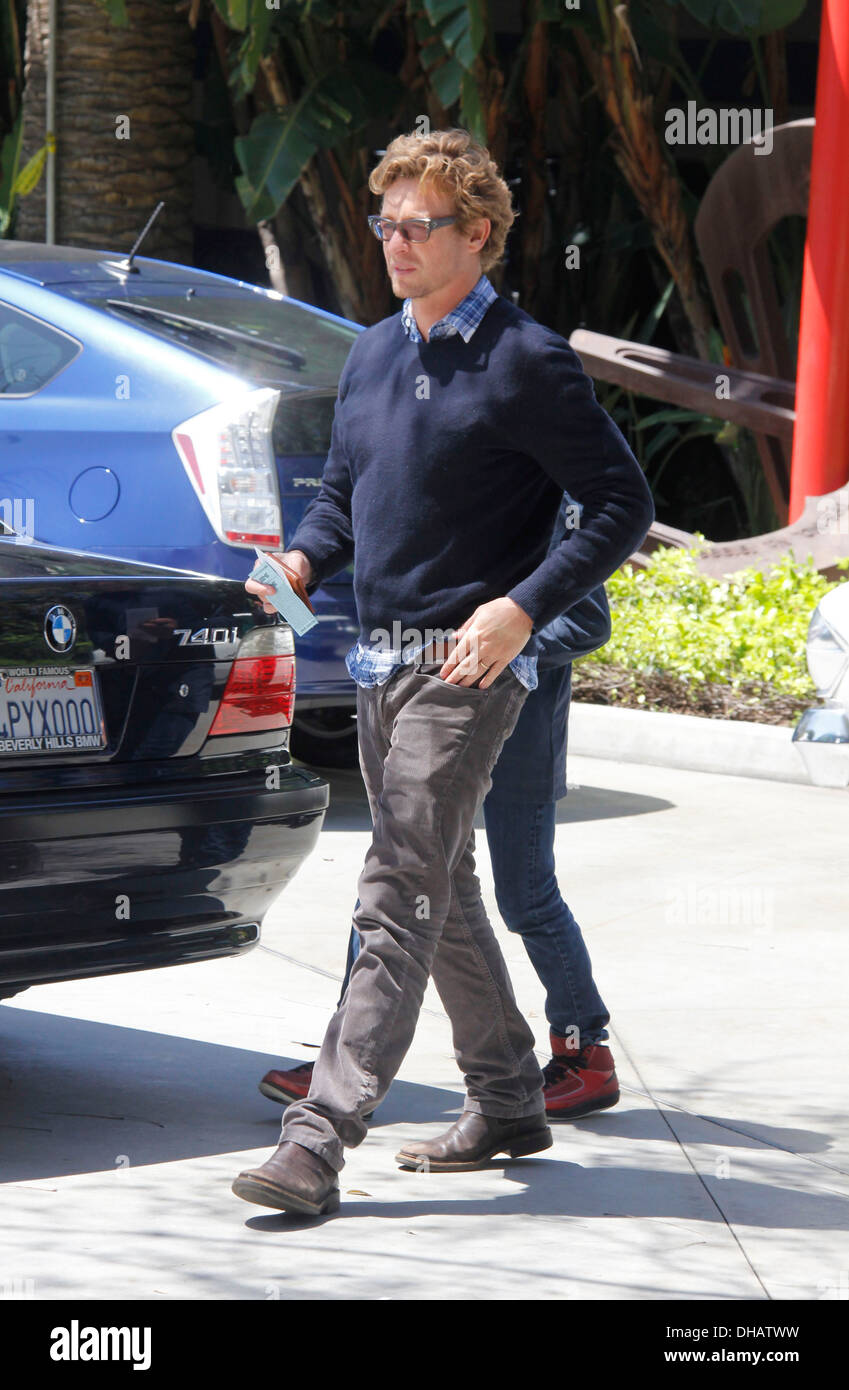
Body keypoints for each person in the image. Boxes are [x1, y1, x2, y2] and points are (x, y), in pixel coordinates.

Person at [232, 127, 654, 1218]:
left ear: (479, 236)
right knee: (442, 884)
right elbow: (341, 494)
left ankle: (316, 1138)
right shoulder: (374, 352)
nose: (394, 243)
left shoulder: (527, 359)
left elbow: (621, 505)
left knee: (394, 891)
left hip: (468, 672)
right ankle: (511, 1096)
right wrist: (301, 558)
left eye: (419, 226)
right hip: (378, 665)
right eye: (386, 223)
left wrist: (520, 610)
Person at [258, 504, 620, 1123]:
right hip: (440, 729)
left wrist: (499, 640)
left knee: (526, 896)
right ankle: (341, 1061)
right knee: (398, 882)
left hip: (520, 743)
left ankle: (585, 1052)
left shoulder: (551, 497)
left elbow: (588, 620)